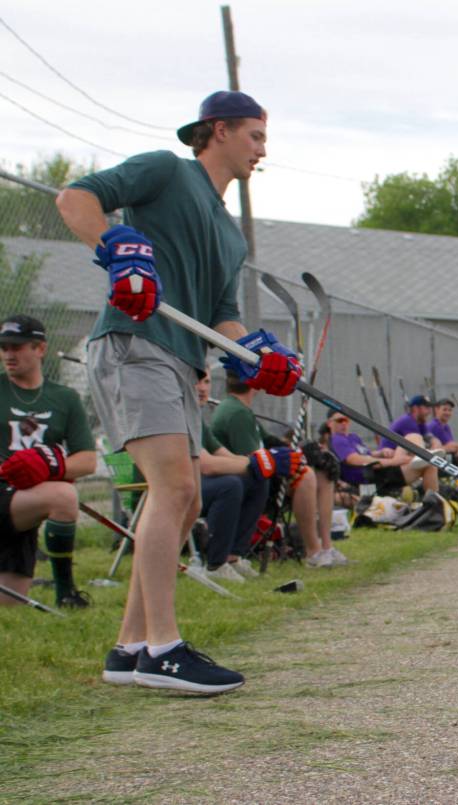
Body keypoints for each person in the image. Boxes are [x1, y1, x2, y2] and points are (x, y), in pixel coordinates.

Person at [57, 90, 302, 694]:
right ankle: (165, 650)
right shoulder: (167, 171)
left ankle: (131, 648)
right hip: (134, 344)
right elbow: (75, 198)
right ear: (216, 130)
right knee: (176, 488)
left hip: (181, 361)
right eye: (255, 136)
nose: (262, 151)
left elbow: (220, 313)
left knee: (184, 499)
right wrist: (116, 249)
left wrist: (258, 354)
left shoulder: (230, 233)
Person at [0, 315, 97, 609]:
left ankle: (62, 586)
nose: (8, 354)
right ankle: (66, 594)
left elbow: (88, 460)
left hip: (25, 503)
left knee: (10, 606)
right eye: (3, 347)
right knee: (63, 495)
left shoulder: (64, 398)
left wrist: (50, 466)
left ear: (40, 349)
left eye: (16, 347)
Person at [211, 375, 346, 568]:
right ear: (254, 382)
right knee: (305, 474)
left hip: (255, 475)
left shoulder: (241, 409)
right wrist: (295, 457)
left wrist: (299, 449)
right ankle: (313, 552)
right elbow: (252, 458)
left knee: (324, 472)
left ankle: (326, 547)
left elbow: (270, 442)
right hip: (248, 481)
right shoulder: (235, 412)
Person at [194, 375, 304, 583]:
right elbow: (207, 465)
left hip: (196, 484)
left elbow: (224, 455)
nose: (202, 387)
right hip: (172, 490)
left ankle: (234, 557)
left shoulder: (197, 418)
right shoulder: (188, 414)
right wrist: (259, 462)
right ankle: (216, 564)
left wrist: (262, 463)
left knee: (256, 477)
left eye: (207, 381)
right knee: (231, 484)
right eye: (197, 380)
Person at [328, 410, 439, 496]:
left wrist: (380, 453)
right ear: (330, 423)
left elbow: (366, 454)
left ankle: (422, 456)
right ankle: (434, 505)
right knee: (429, 464)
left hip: (382, 469)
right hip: (375, 477)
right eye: (339, 421)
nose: (343, 424)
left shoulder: (352, 437)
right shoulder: (337, 439)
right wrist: (391, 461)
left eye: (346, 420)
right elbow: (354, 459)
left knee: (414, 437)